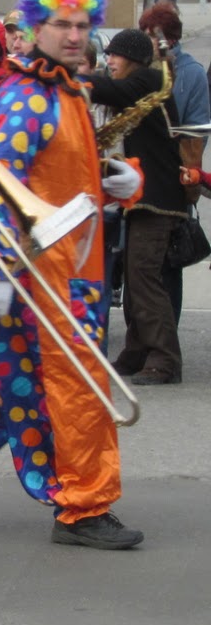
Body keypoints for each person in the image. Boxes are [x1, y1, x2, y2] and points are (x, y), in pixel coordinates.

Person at [0, 0, 146, 550]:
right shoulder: (27, 97)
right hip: (39, 278)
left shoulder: (71, 90)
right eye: (60, 25)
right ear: (35, 28)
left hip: (75, 270)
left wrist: (117, 182)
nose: (74, 36)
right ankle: (83, 505)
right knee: (74, 389)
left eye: (81, 25)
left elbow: (62, 176)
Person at [87, 29, 184, 385]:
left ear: (135, 59)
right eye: (107, 55)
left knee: (144, 277)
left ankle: (164, 359)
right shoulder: (143, 81)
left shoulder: (148, 79)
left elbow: (113, 91)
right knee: (133, 276)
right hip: (140, 199)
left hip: (158, 200)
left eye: (115, 55)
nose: (109, 61)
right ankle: (136, 352)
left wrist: (67, 74)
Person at [138, 1, 209, 322]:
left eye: (150, 35)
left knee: (168, 263)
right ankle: (139, 340)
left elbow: (198, 130)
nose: (146, 42)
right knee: (139, 266)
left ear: (169, 38)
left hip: (176, 179)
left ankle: (166, 342)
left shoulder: (191, 73)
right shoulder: (140, 68)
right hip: (139, 179)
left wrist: (189, 177)